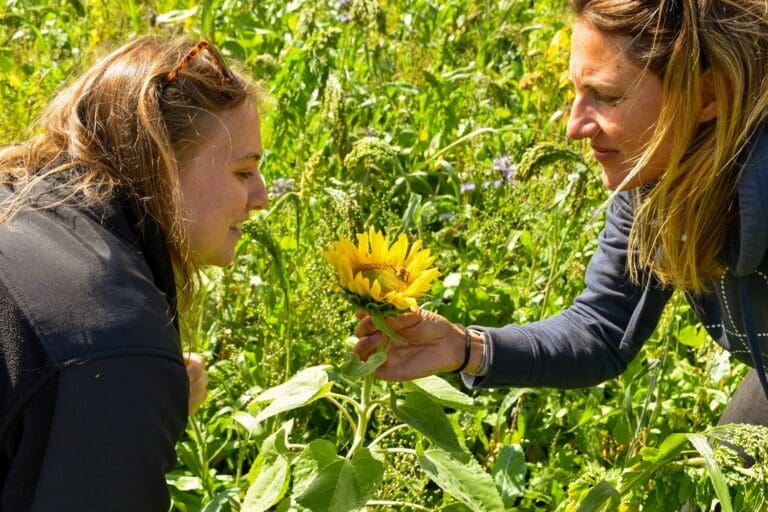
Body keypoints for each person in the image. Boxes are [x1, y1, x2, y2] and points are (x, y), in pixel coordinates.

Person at [354, 0, 768, 427]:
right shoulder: (655, 179)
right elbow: (602, 328)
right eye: (577, 92)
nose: (574, 127)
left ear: (707, 95)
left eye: (607, 97)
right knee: (716, 493)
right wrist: (463, 347)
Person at [0, 36, 268, 510]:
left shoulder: (18, 199)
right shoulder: (113, 342)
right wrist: (128, 401)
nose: (262, 197)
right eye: (243, 172)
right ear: (163, 163)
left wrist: (127, 417)